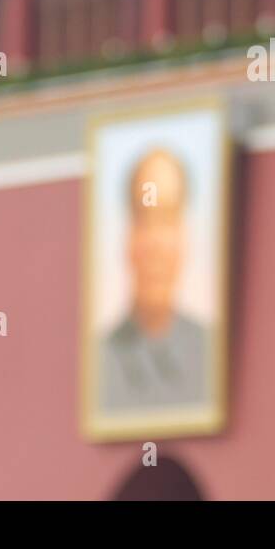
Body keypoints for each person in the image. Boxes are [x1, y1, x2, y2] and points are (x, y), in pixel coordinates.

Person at [99, 147, 209, 411]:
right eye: (144, 220)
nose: (156, 245)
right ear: (128, 236)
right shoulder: (101, 354)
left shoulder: (206, 347)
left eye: (168, 219)